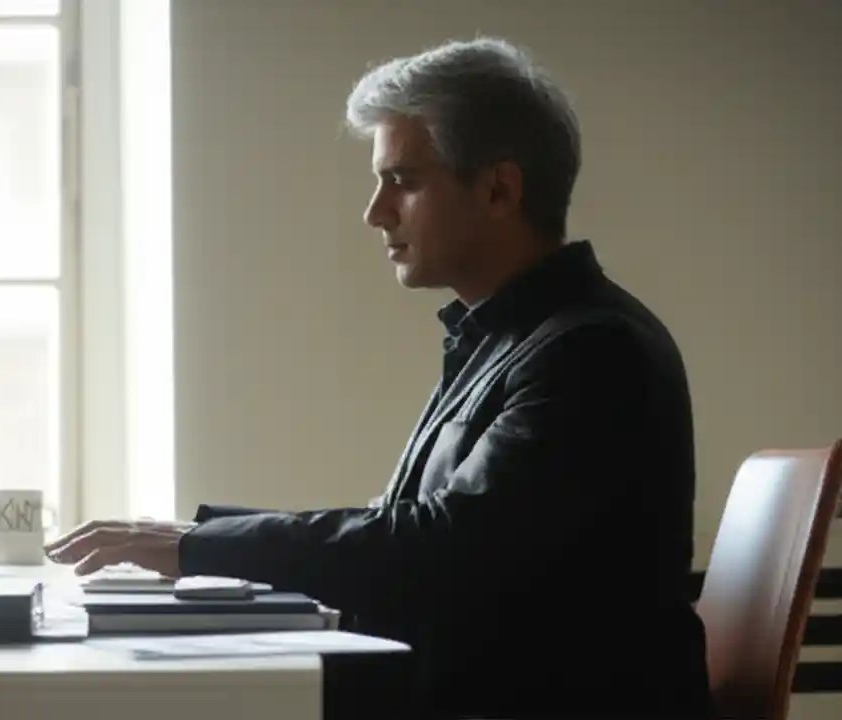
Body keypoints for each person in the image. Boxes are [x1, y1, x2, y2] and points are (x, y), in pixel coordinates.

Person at [48, 36, 712, 720]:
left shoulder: (592, 351)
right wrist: (196, 537)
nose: (375, 211)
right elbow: (409, 532)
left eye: (403, 180)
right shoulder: (511, 339)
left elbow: (440, 550)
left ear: (498, 188)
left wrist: (198, 548)